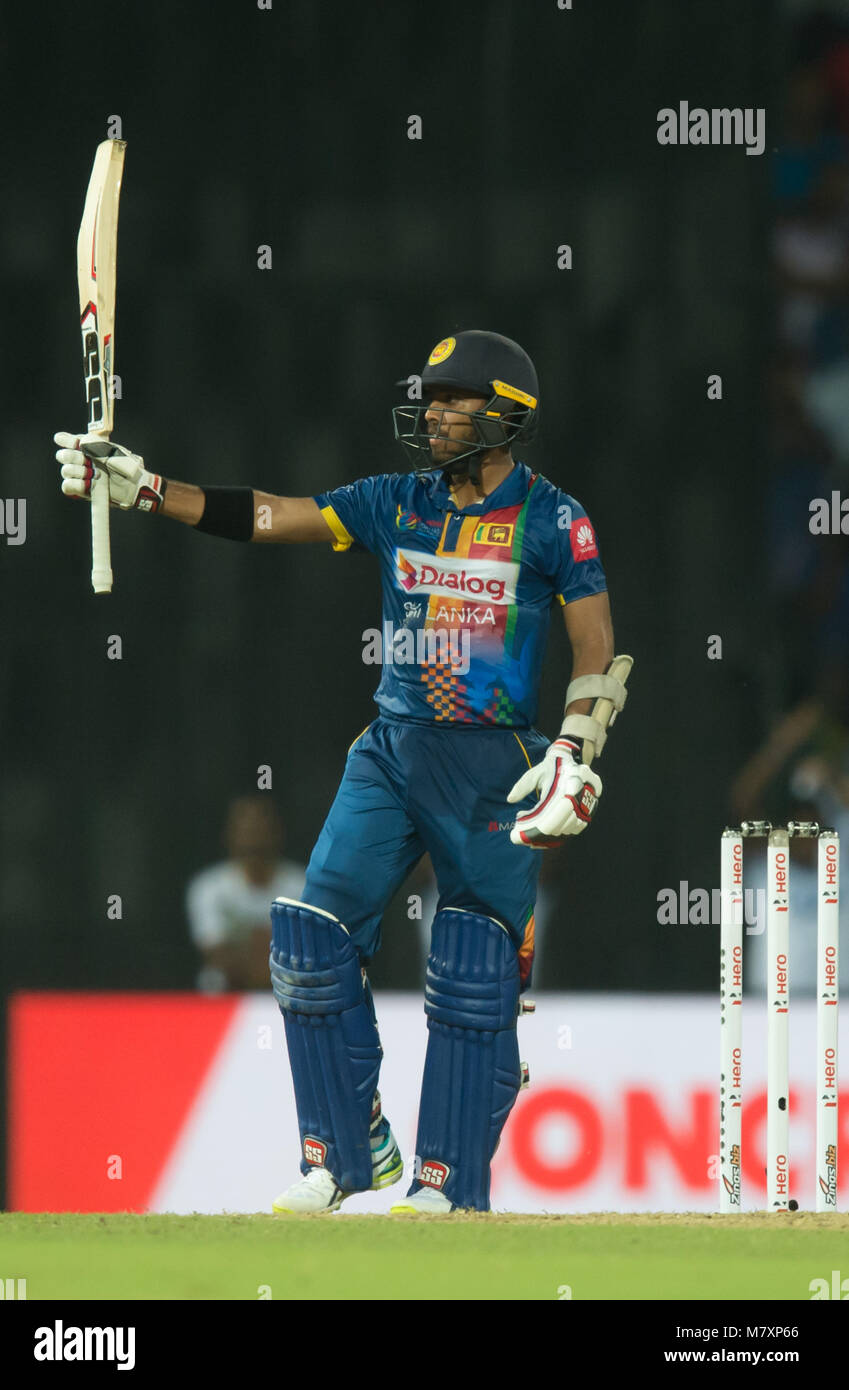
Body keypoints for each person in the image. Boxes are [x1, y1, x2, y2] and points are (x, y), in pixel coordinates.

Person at [55, 329, 628, 1215]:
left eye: (452, 401)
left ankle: (445, 1181)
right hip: (392, 752)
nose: (431, 415)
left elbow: (596, 648)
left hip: (495, 766)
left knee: (474, 963)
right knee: (312, 936)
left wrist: (573, 747)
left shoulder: (554, 518)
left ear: (505, 414)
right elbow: (270, 516)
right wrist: (149, 491)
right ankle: (346, 1149)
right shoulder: (394, 500)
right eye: (428, 399)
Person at [187, 796, 306, 992]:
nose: (254, 839)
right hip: (230, 990)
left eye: (261, 829)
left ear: (277, 833)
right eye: (247, 831)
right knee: (212, 977)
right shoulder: (208, 887)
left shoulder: (302, 885)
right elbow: (215, 952)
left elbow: (306, 951)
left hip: (290, 987)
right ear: (229, 835)